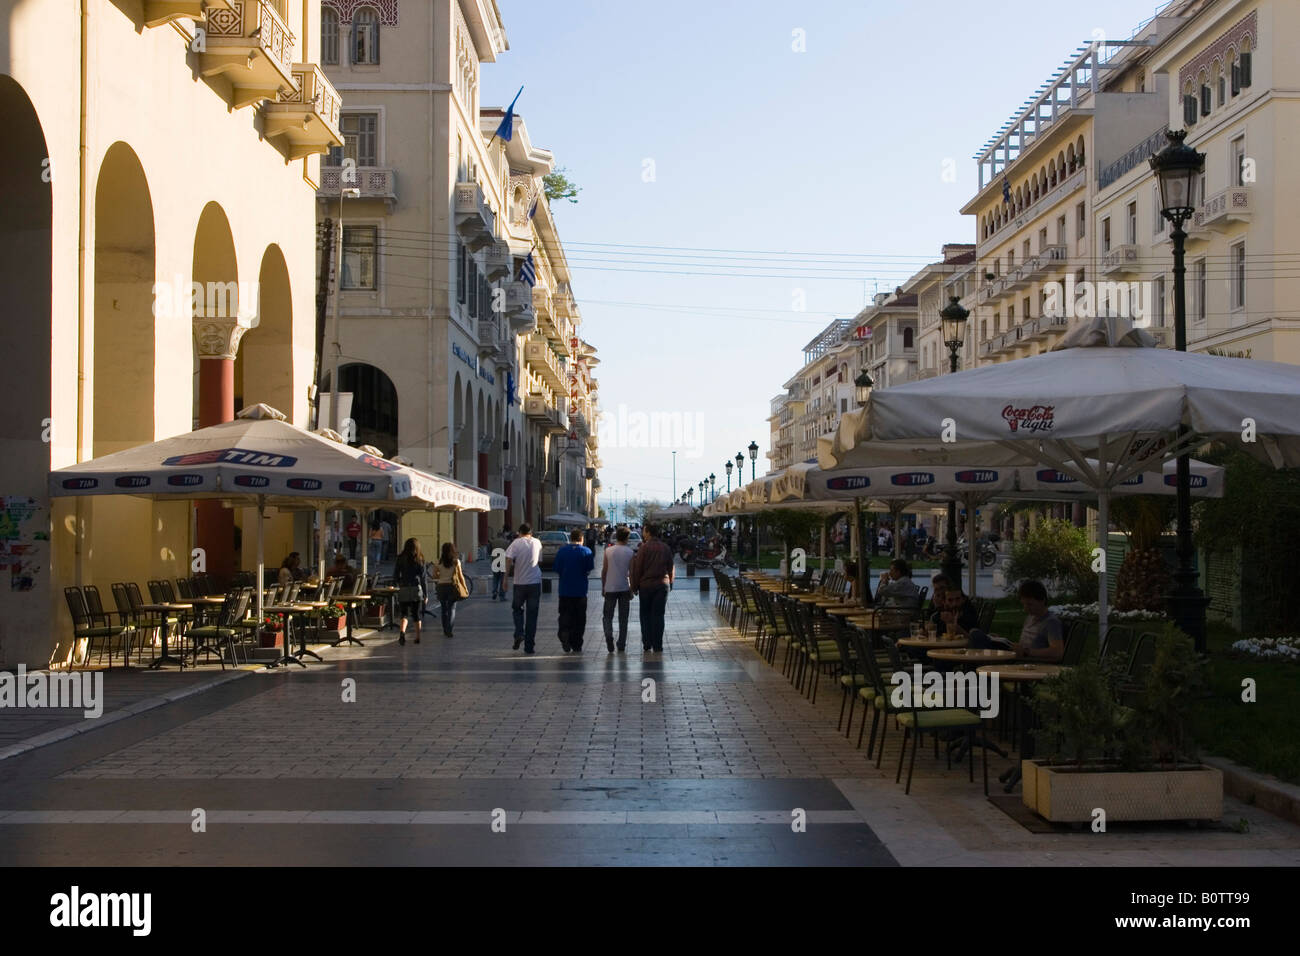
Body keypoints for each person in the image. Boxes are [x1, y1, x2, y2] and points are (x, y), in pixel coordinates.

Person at [629, 522, 674, 653]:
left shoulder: (644, 548)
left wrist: (635, 586)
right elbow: (670, 566)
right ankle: (658, 645)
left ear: (648, 532)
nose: (643, 533)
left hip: (646, 586)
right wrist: (670, 582)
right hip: (662, 585)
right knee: (659, 615)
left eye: (644, 531)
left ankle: (647, 643)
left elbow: (638, 568)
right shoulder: (665, 547)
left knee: (645, 615)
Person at [553, 529, 595, 653]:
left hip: (565, 590)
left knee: (565, 615)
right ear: (582, 539)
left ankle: (564, 632)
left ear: (571, 538)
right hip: (580, 591)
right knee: (579, 619)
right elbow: (588, 569)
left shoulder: (562, 551)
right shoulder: (586, 551)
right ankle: (577, 644)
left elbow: (557, 569)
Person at [504, 523, 543, 653]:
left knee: (517, 609)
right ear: (530, 532)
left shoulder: (516, 543)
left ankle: (519, 632)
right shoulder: (537, 542)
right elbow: (540, 560)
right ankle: (529, 646)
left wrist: (505, 579)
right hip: (535, 583)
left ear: (519, 532)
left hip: (519, 583)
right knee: (532, 615)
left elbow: (508, 559)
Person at [601, 526, 635, 652]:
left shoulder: (608, 551)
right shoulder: (630, 552)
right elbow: (631, 573)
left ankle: (609, 635)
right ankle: (621, 643)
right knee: (623, 618)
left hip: (610, 587)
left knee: (607, 616)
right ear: (627, 537)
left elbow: (604, 571)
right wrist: (632, 589)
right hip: (624, 588)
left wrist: (603, 586)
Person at [430, 542, 469, 638]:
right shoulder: (456, 561)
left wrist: (441, 575)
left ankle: (444, 629)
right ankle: (449, 629)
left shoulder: (438, 562)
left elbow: (434, 576)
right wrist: (465, 587)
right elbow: (460, 577)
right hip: (452, 587)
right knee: (452, 608)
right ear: (452, 550)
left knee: (443, 609)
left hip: (441, 587)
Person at [392, 537, 427, 646]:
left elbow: (395, 574)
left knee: (404, 613)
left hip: (404, 588)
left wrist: (398, 583)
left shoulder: (400, 558)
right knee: (416, 614)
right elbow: (423, 578)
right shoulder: (420, 559)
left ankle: (402, 632)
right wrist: (425, 594)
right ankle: (417, 637)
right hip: (416, 589)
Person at [489, 528, 511, 601]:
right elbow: (509, 552)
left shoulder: (493, 542)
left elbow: (489, 551)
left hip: (495, 561)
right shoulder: (506, 542)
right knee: (502, 579)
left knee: (495, 578)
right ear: (503, 536)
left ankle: (494, 591)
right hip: (502, 561)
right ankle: (502, 596)